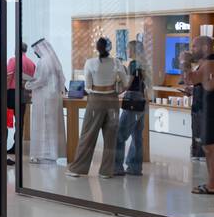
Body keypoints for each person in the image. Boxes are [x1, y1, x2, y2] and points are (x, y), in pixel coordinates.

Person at [67, 37, 126, 179]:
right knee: (110, 137)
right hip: (112, 100)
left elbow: (88, 85)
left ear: (97, 48)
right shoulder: (117, 62)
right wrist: (115, 90)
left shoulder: (90, 62)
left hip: (96, 100)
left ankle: (77, 169)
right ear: (109, 48)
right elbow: (124, 82)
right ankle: (106, 171)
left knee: (88, 135)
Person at [187, 35, 214, 194]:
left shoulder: (212, 63)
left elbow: (191, 79)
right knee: (208, 147)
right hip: (208, 111)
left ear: (205, 47)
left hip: (212, 112)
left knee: (211, 147)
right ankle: (211, 183)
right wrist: (194, 90)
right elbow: (204, 84)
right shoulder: (209, 62)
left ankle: (213, 185)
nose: (192, 50)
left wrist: (184, 63)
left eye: (194, 47)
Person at [113, 39, 151, 176]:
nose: (127, 51)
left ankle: (117, 167)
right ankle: (135, 168)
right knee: (137, 136)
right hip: (142, 101)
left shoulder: (134, 64)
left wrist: (116, 90)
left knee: (120, 135)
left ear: (134, 50)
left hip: (132, 101)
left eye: (129, 49)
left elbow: (127, 83)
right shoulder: (145, 64)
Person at [26, 38, 66, 162]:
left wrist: (27, 85)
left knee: (43, 125)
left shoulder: (43, 61)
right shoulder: (53, 60)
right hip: (53, 96)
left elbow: (41, 80)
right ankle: (53, 152)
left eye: (36, 51)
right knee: (51, 125)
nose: (36, 53)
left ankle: (44, 154)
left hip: (44, 98)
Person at [6, 42, 36, 156]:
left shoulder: (13, 60)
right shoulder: (31, 63)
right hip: (24, 93)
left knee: (7, 118)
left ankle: (10, 145)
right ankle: (17, 144)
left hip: (12, 92)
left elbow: (8, 76)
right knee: (20, 120)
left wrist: (4, 90)